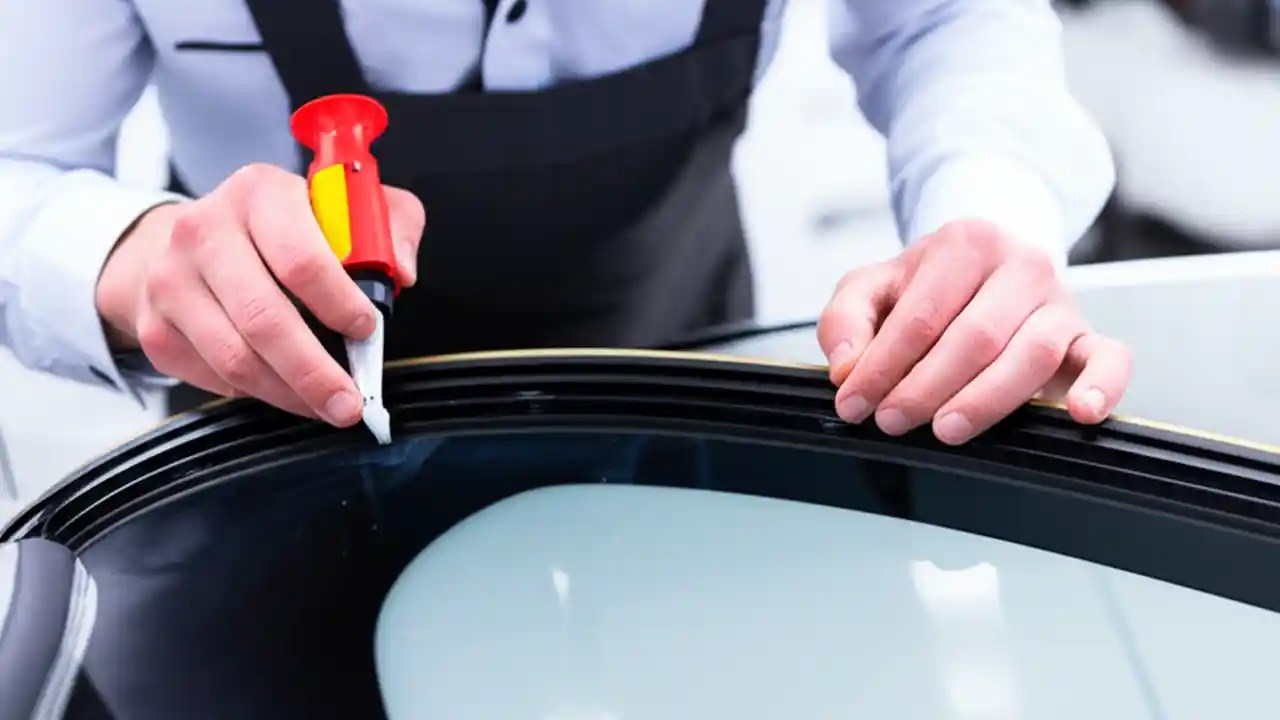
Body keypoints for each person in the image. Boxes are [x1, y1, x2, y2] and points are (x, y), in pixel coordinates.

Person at [0, 0, 1130, 446]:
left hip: (685, 413)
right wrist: (126, 260)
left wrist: (987, 217)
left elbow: (946, 22)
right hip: (266, 454)